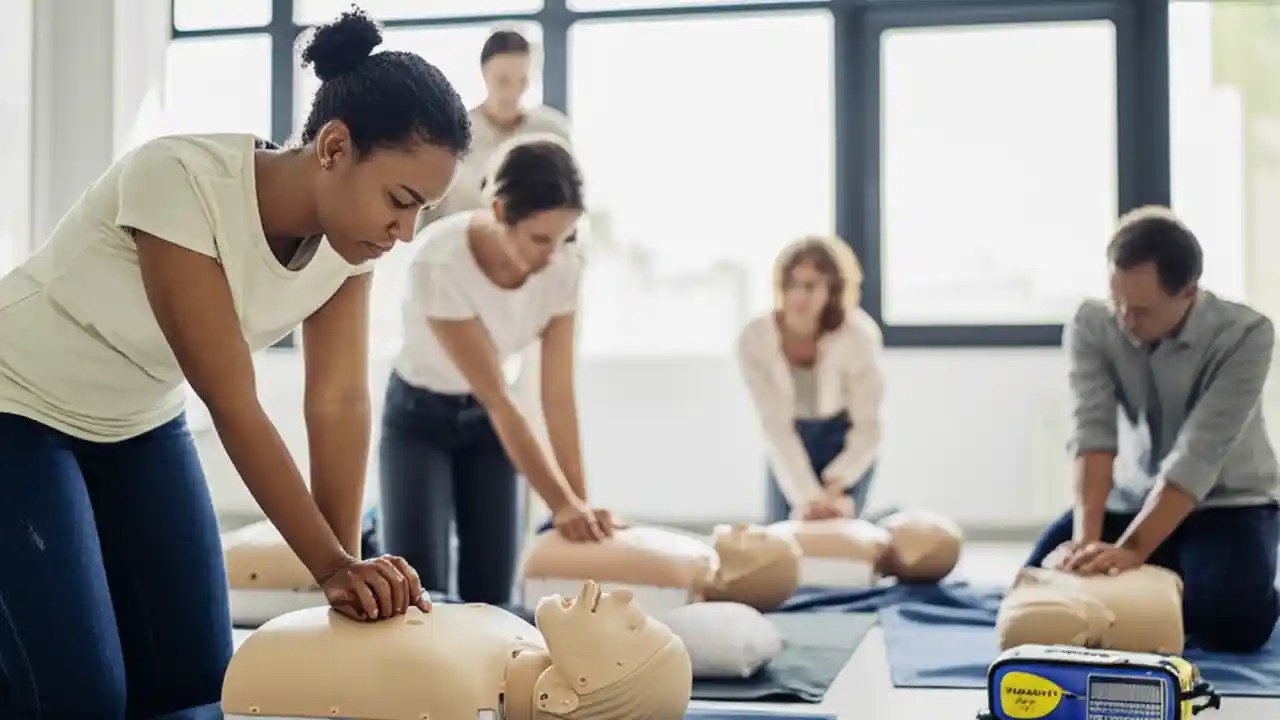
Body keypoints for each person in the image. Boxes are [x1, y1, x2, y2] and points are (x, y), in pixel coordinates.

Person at [0, 8, 471, 717]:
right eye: (400, 202)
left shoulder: (349, 250)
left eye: (422, 215)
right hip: (17, 405)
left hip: (138, 422)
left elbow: (338, 401)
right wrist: (332, 566)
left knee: (199, 687)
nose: (405, 234)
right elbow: (231, 399)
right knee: (83, 698)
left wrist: (346, 579)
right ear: (335, 148)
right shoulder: (179, 178)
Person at [1026, 205, 1280, 653]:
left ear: (1188, 293)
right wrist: (1088, 544)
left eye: (1141, 309)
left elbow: (1199, 453)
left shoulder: (1247, 334)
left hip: (1226, 503)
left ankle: (1187, 572)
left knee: (1233, 623)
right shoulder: (1092, 324)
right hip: (1133, 496)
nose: (1125, 319)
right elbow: (1093, 435)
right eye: (1117, 300)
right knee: (1041, 581)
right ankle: (1168, 574)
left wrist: (1133, 550)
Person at [378, 134, 614, 607]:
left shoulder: (563, 269)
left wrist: (576, 503)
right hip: (419, 418)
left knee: (492, 595)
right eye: (540, 238)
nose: (552, 253)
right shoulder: (438, 261)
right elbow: (498, 397)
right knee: (422, 592)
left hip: (489, 429)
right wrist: (561, 502)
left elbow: (557, 397)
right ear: (501, 211)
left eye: (565, 237)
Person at [737, 235, 885, 524]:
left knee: (844, 537)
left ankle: (888, 520)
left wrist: (835, 487)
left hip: (845, 442)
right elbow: (775, 426)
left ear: (833, 290)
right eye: (791, 284)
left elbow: (868, 426)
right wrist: (809, 498)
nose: (799, 296)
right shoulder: (754, 340)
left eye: (810, 286)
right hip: (791, 440)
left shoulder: (858, 336)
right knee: (782, 544)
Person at [419, 28, 572, 227]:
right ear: (484, 73)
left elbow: (568, 204)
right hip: (460, 249)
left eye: (522, 80)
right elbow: (430, 211)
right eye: (503, 80)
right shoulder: (451, 132)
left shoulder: (552, 132)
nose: (513, 91)